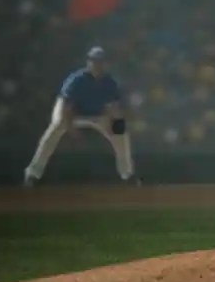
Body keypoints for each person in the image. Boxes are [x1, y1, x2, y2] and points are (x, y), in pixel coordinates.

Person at [23, 46, 139, 186]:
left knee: (120, 132)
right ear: (88, 62)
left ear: (106, 64)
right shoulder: (76, 80)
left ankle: (127, 175)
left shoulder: (110, 83)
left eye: (100, 61)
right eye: (94, 61)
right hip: (72, 113)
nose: (97, 64)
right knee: (55, 128)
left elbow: (112, 109)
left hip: (95, 114)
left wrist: (114, 125)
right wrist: (72, 130)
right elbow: (67, 109)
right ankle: (33, 174)